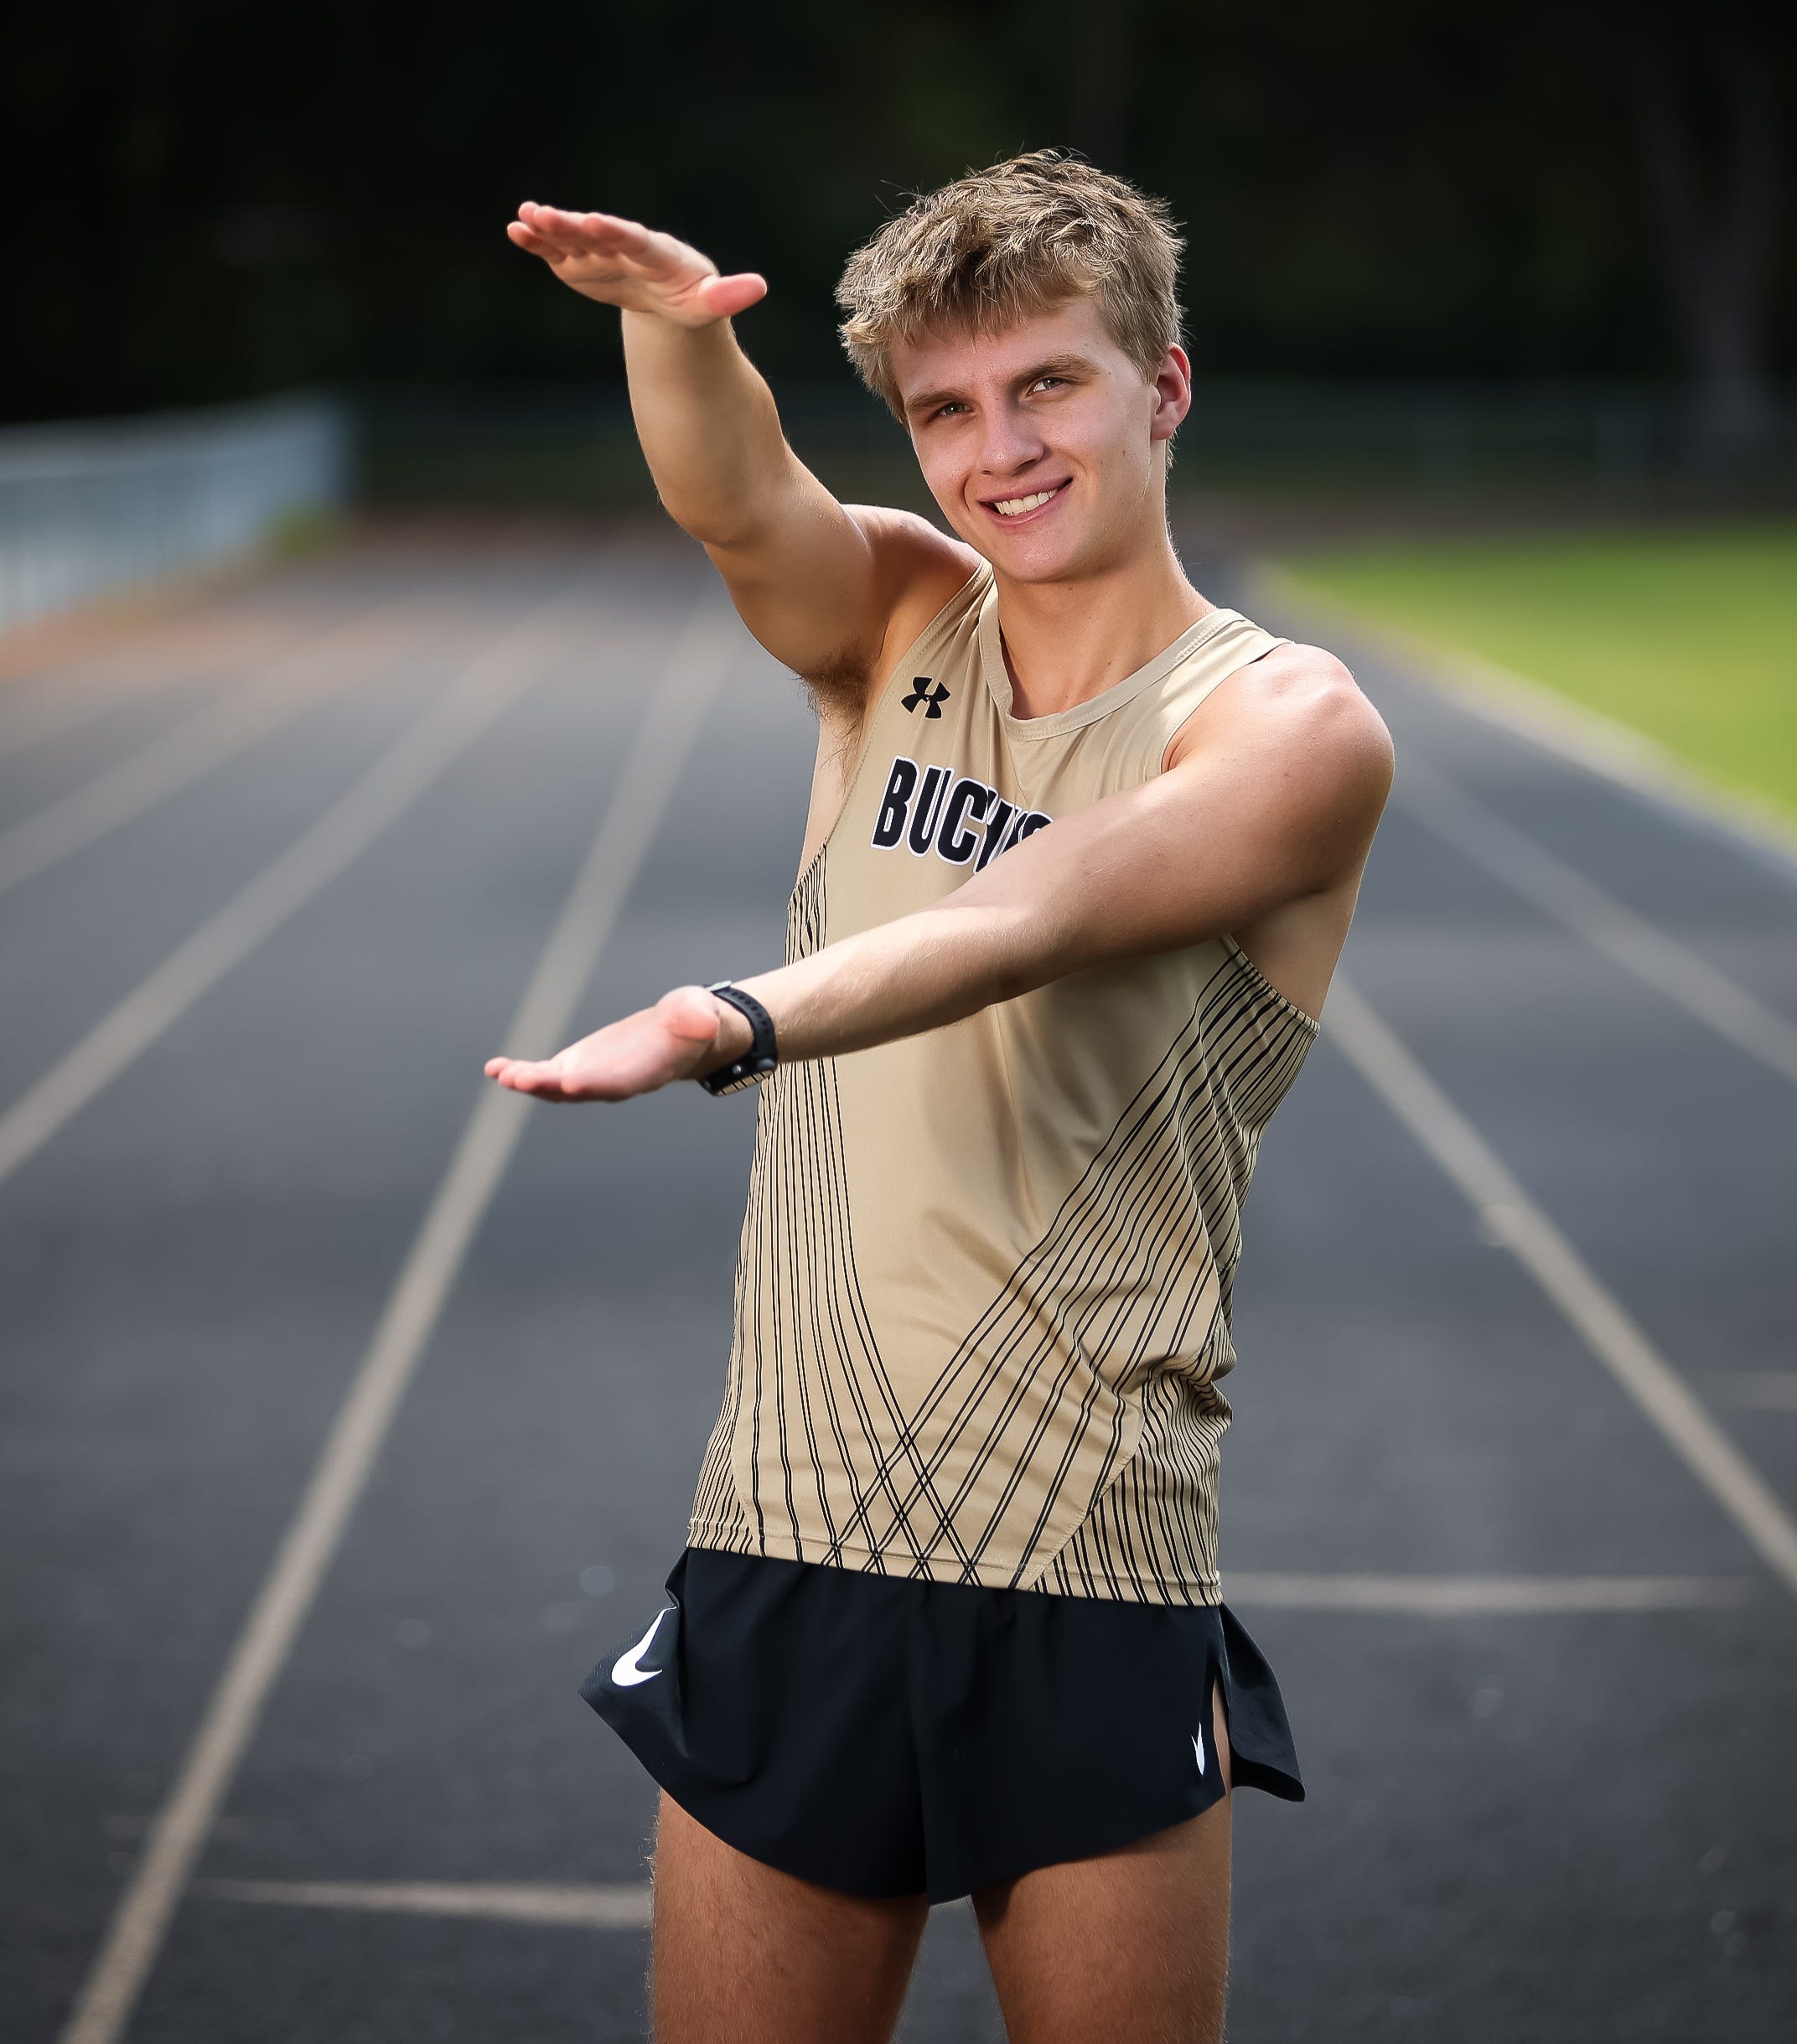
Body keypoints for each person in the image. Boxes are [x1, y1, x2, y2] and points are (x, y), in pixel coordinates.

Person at [489, 152, 1391, 2044]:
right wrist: (675, 335)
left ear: (1163, 384)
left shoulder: (1284, 725)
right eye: (946, 410)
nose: (1001, 449)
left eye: (1048, 382)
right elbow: (743, 508)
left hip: (1086, 1546)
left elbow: (1030, 911)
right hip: (786, 1529)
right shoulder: (899, 616)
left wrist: (723, 1016)